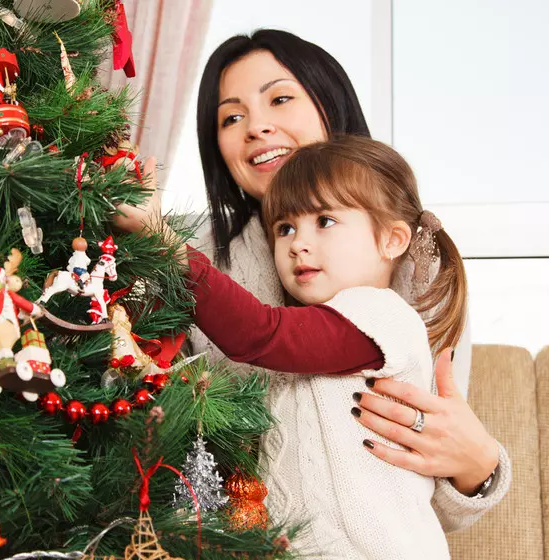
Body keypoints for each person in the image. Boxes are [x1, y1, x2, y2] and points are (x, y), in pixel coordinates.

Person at [116, 28, 510, 541]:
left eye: (280, 98)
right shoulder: (194, 248)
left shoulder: (395, 291)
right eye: (231, 117)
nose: (256, 127)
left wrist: (477, 464)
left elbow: (262, 334)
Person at [128, 135, 469, 558]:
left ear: (392, 240)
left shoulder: (383, 315)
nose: (297, 243)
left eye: (324, 221)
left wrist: (167, 243)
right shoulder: (310, 335)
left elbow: (258, 334)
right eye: (285, 228)